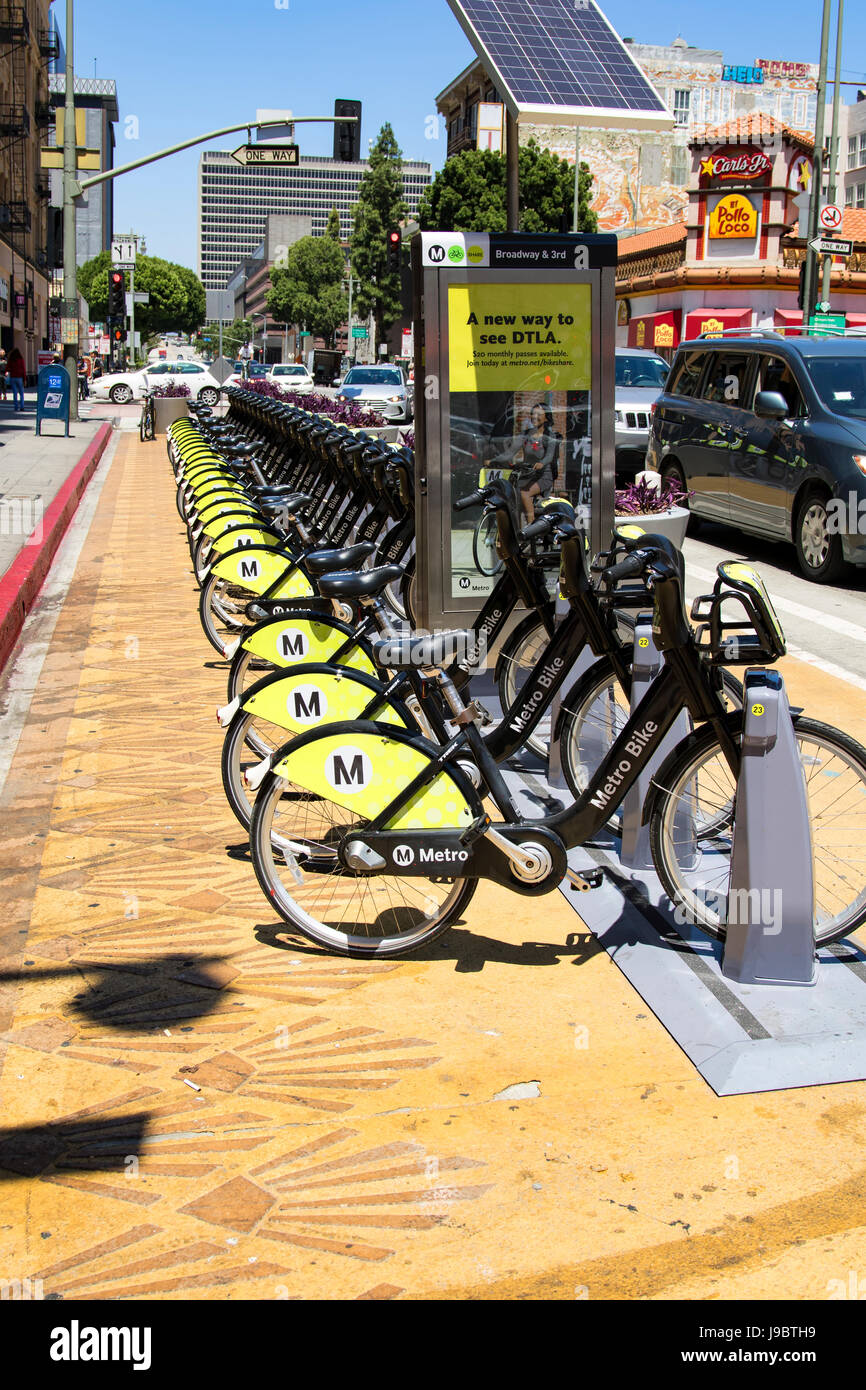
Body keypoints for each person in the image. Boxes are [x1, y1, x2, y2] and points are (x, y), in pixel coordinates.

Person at [494, 403, 558, 526]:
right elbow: (510, 452)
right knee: (514, 496)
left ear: (546, 418)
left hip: (543, 475)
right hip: (528, 474)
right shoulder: (525, 434)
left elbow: (550, 456)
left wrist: (541, 463)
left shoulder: (550, 436)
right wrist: (494, 460)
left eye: (539, 414)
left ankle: (531, 530)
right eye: (533, 413)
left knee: (524, 493)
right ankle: (516, 530)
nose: (535, 416)